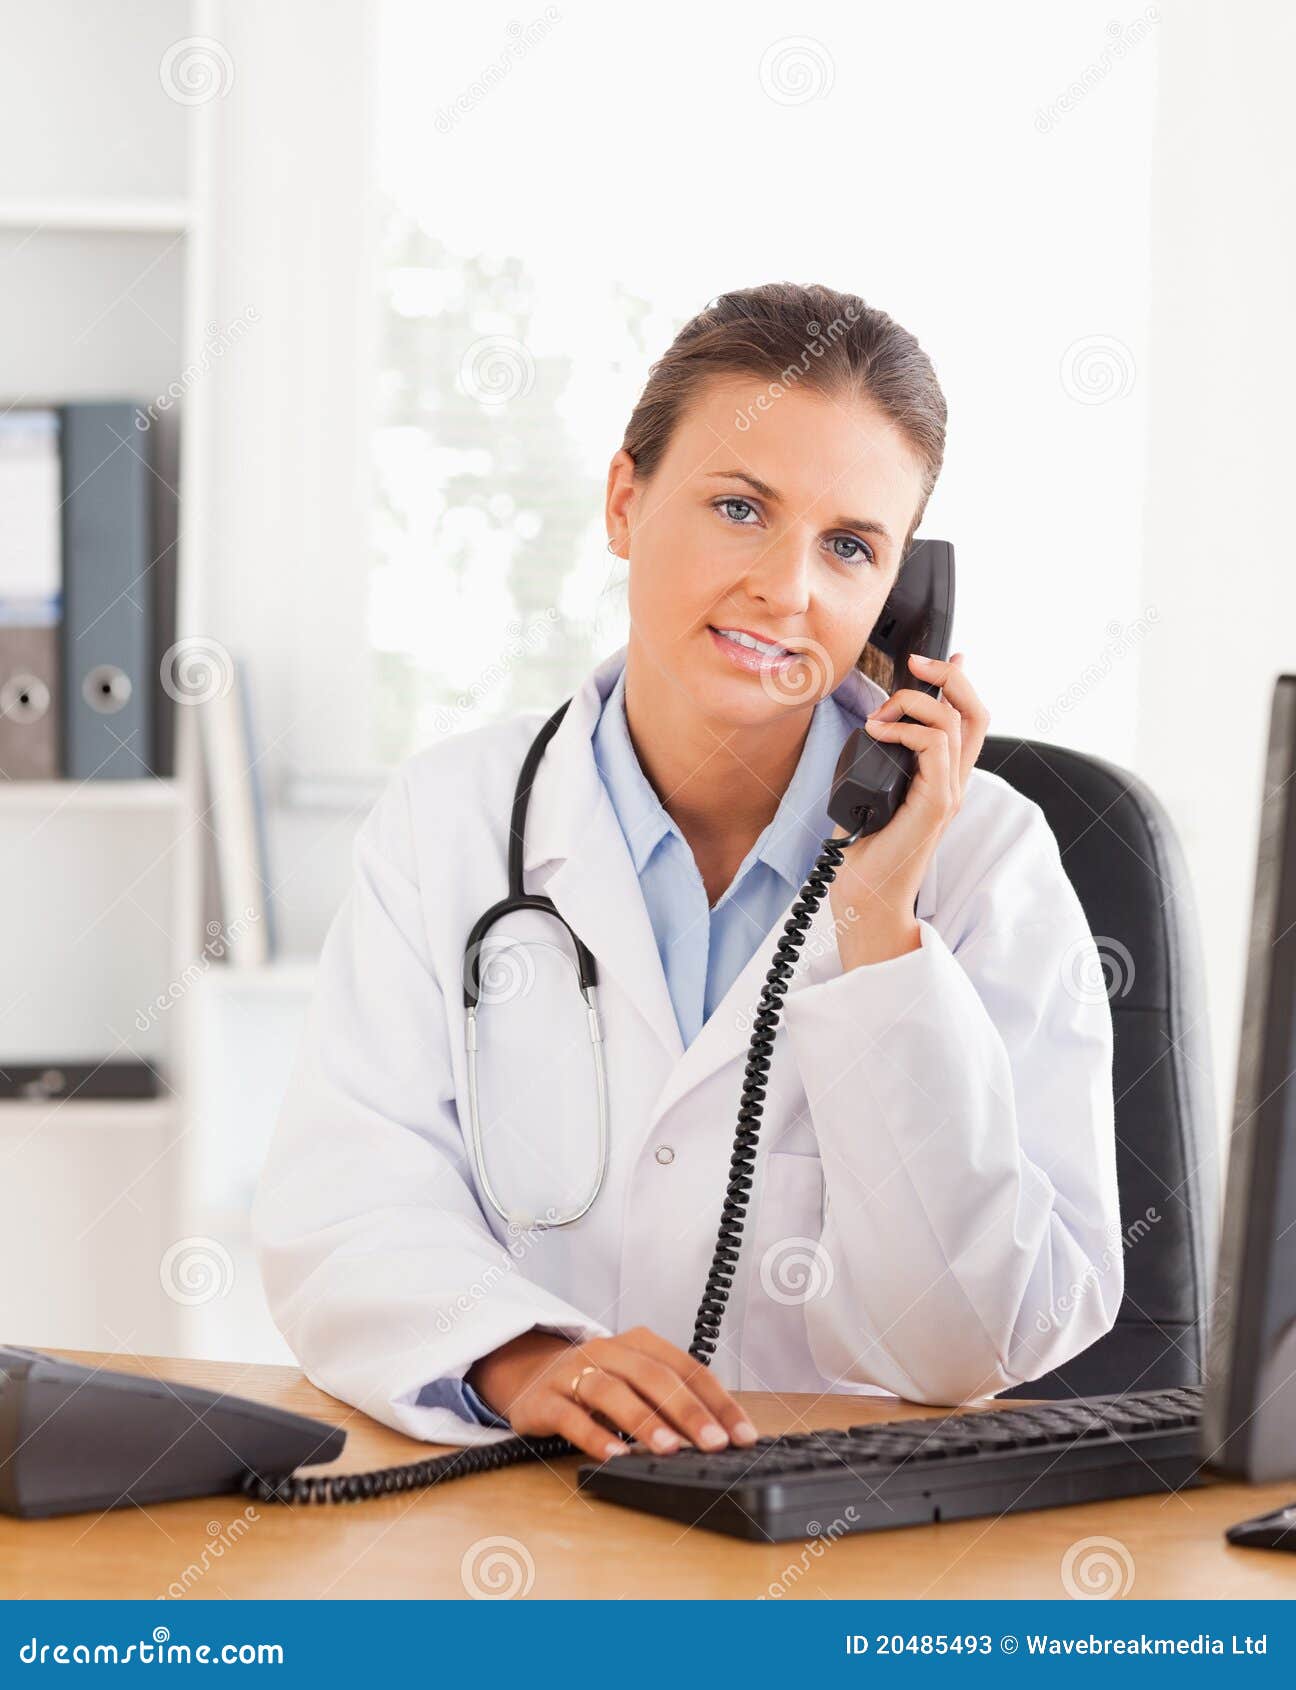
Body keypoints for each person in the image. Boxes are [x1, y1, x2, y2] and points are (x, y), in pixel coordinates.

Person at [252, 281, 1122, 1465]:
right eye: (739, 507)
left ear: (902, 597)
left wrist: (878, 923)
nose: (788, 589)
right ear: (625, 502)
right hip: (530, 1510)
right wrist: (524, 1359)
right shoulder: (447, 818)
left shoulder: (984, 861)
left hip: (847, 1537)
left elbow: (969, 1345)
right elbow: (343, 1202)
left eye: (850, 546)